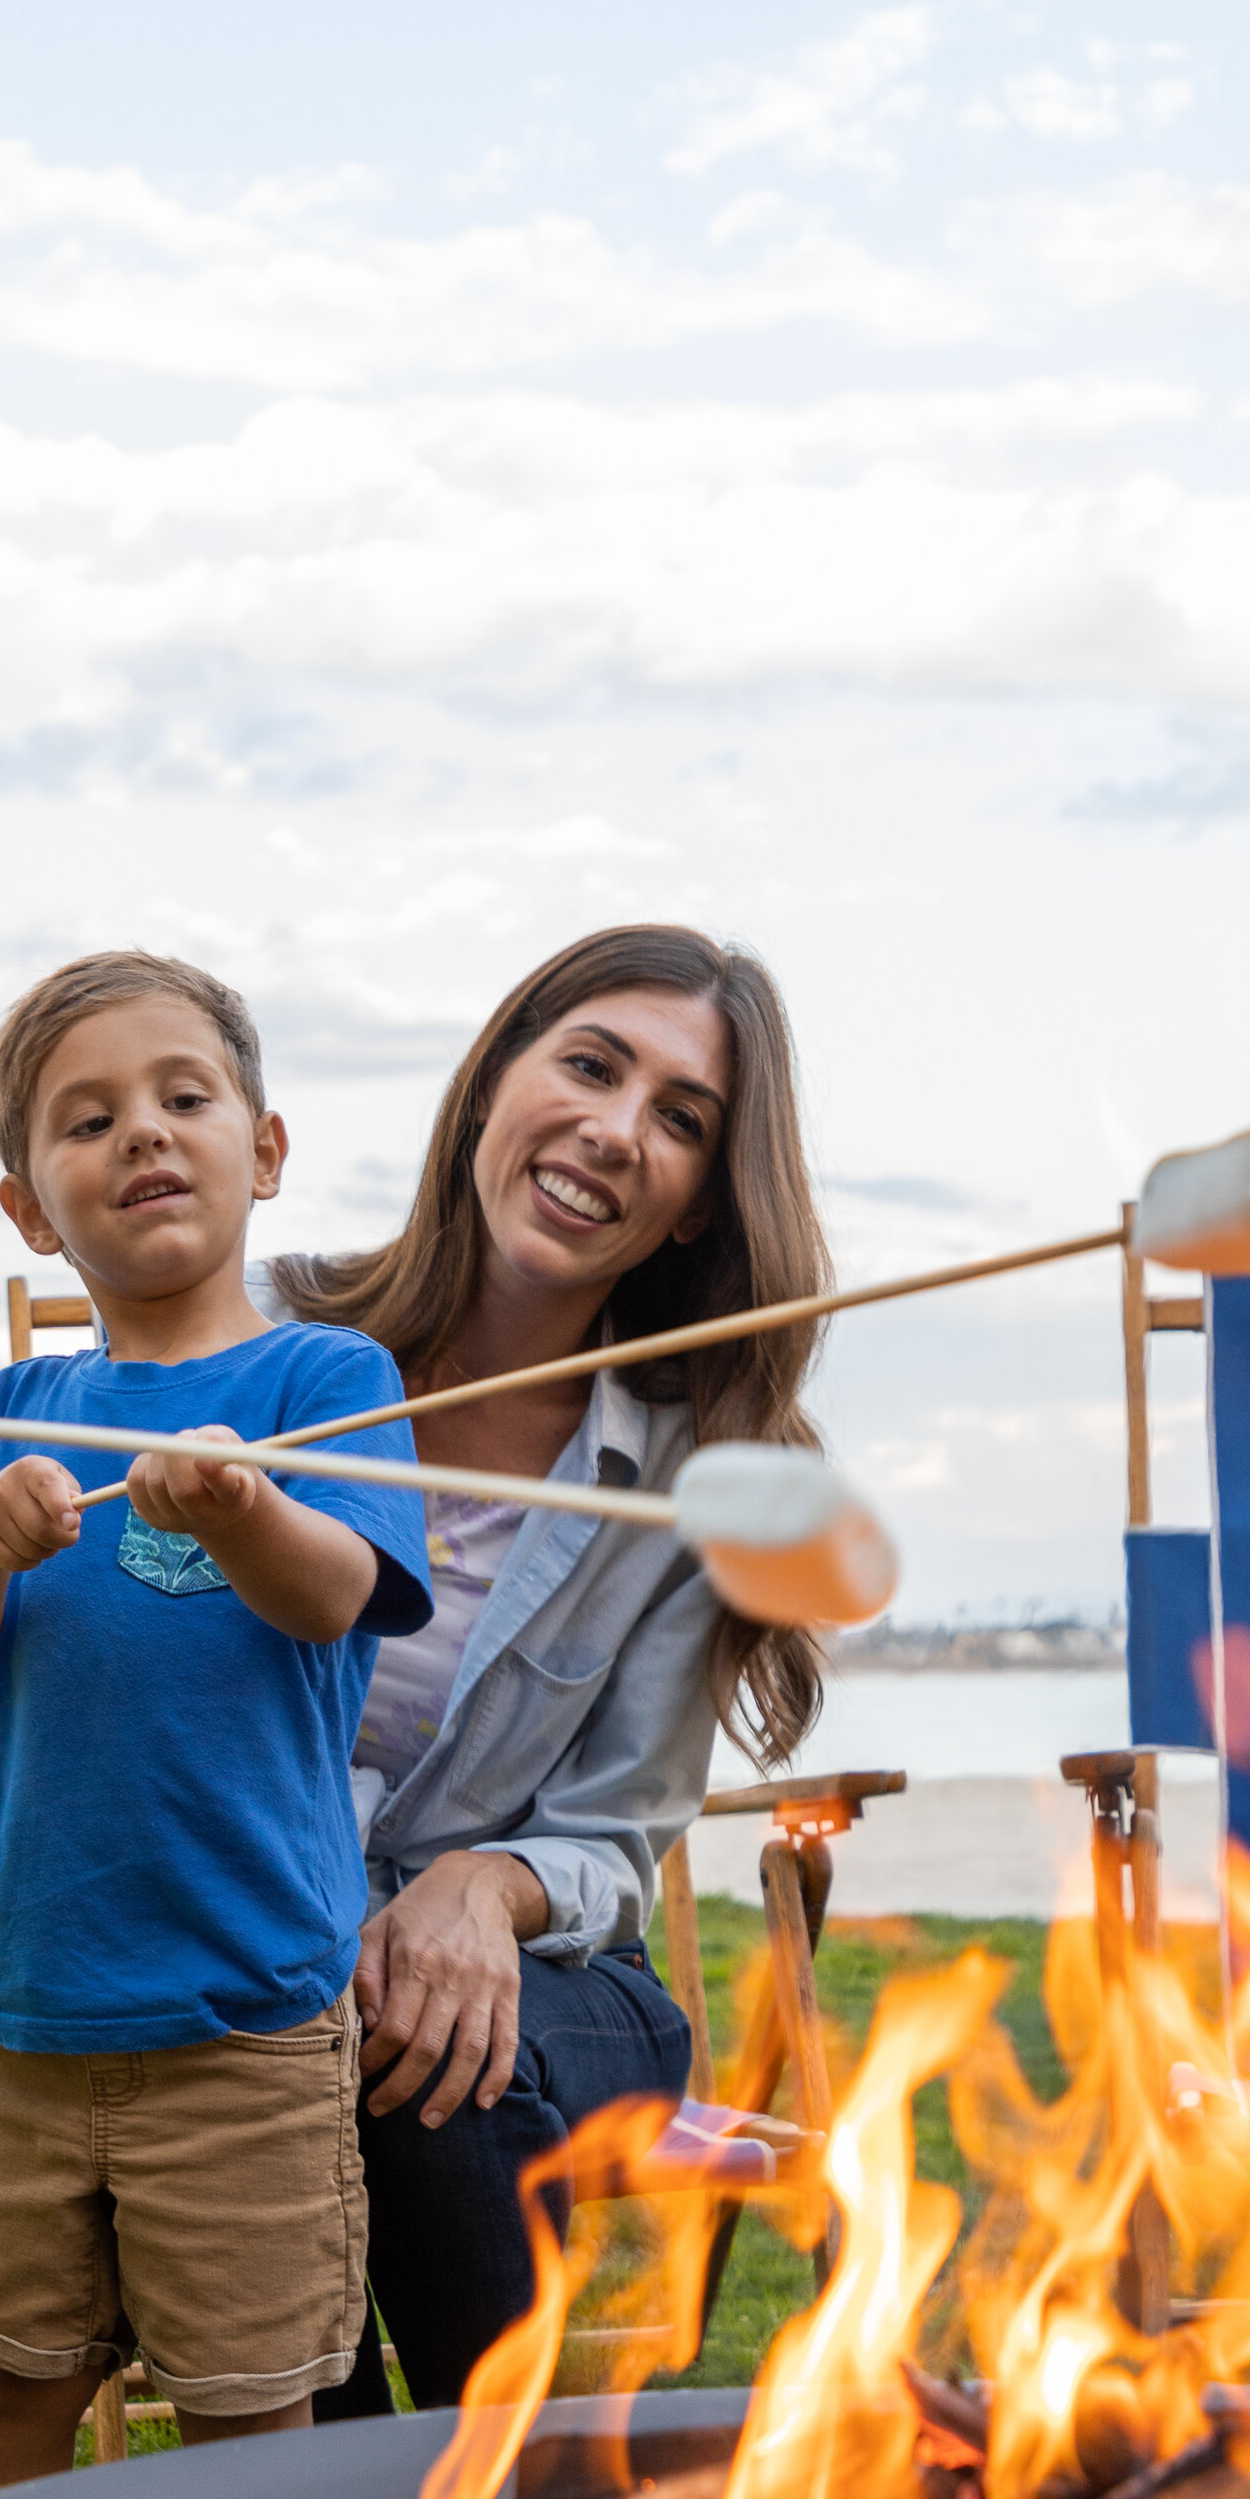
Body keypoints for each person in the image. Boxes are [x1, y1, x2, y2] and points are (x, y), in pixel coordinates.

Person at [262, 922, 832, 2417]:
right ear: (492, 1080)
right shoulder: (267, 1348)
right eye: (589, 1063)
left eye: (681, 1118)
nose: (617, 1130)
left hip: (572, 1985)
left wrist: (481, 1890)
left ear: (703, 1201)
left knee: (427, 2053)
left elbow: (613, 1838)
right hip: (274, 1967)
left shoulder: (693, 1471)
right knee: (315, 2040)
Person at [0, 951, 432, 2496]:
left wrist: (250, 1507)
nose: (142, 1133)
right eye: (89, 1119)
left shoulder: (325, 1378)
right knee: (9, 2396)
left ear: (263, 1149)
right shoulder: (23, 1405)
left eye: (183, 1097)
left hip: (242, 2027)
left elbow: (335, 1596)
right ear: (27, 1205)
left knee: (241, 2419)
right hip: (33, 2022)